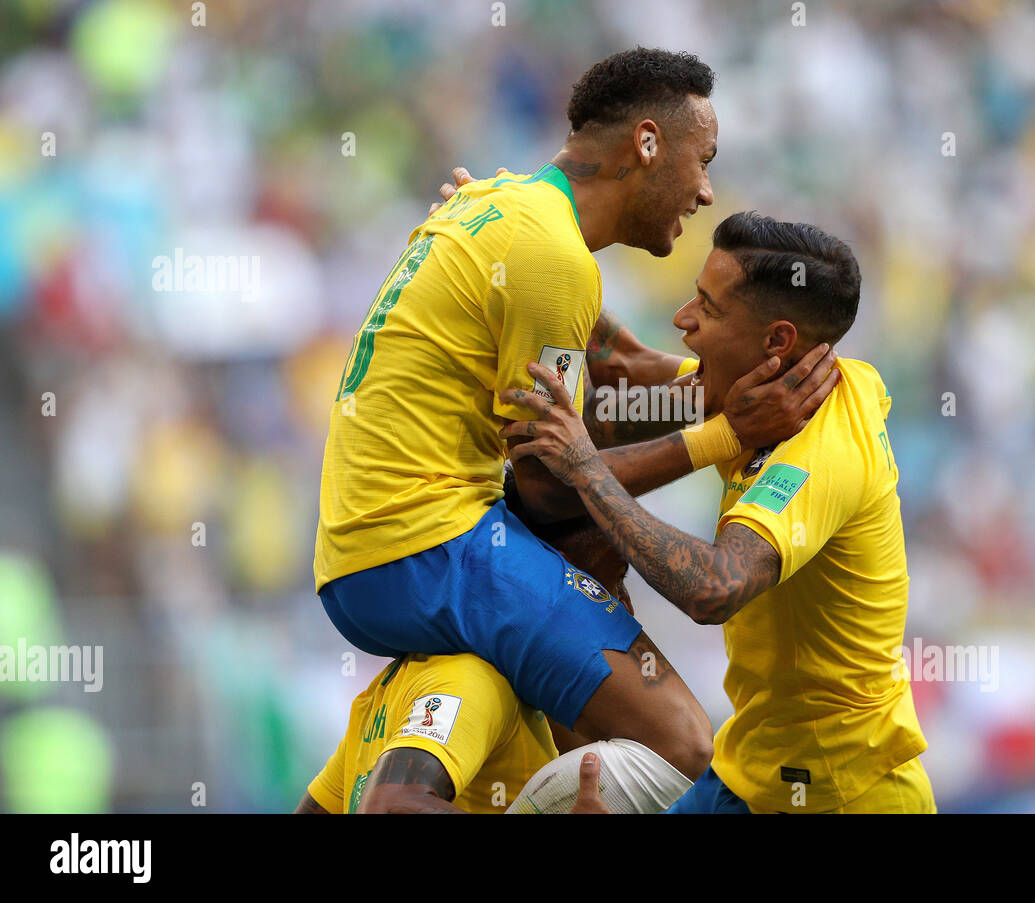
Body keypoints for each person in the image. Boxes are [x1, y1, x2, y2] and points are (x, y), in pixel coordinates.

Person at [314, 47, 836, 787]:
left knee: (573, 734)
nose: (707, 192)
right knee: (687, 749)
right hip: (424, 548)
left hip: (366, 551)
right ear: (648, 143)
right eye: (704, 160)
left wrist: (727, 384)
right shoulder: (552, 256)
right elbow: (555, 486)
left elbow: (616, 365)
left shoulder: (503, 205)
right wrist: (727, 432)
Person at [504, 211, 936, 814]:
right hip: (752, 772)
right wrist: (512, 232)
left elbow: (713, 588)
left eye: (706, 307)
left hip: (839, 790)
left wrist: (587, 468)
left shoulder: (823, 448)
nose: (682, 319)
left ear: (777, 341)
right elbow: (618, 360)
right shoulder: (753, 393)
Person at [296, 483, 686, 815]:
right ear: (549, 578)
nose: (623, 606)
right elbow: (393, 805)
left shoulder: (392, 686)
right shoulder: (471, 679)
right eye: (605, 584)